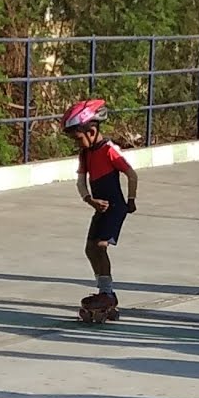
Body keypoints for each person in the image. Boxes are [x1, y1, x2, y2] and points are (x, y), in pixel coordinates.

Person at [63, 98, 140, 318]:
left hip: (115, 206)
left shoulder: (109, 150)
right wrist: (89, 199)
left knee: (100, 245)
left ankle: (107, 293)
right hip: (100, 207)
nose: (77, 143)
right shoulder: (85, 154)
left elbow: (131, 174)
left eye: (78, 138)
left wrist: (131, 200)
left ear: (92, 130)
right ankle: (105, 292)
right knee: (89, 248)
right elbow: (80, 182)